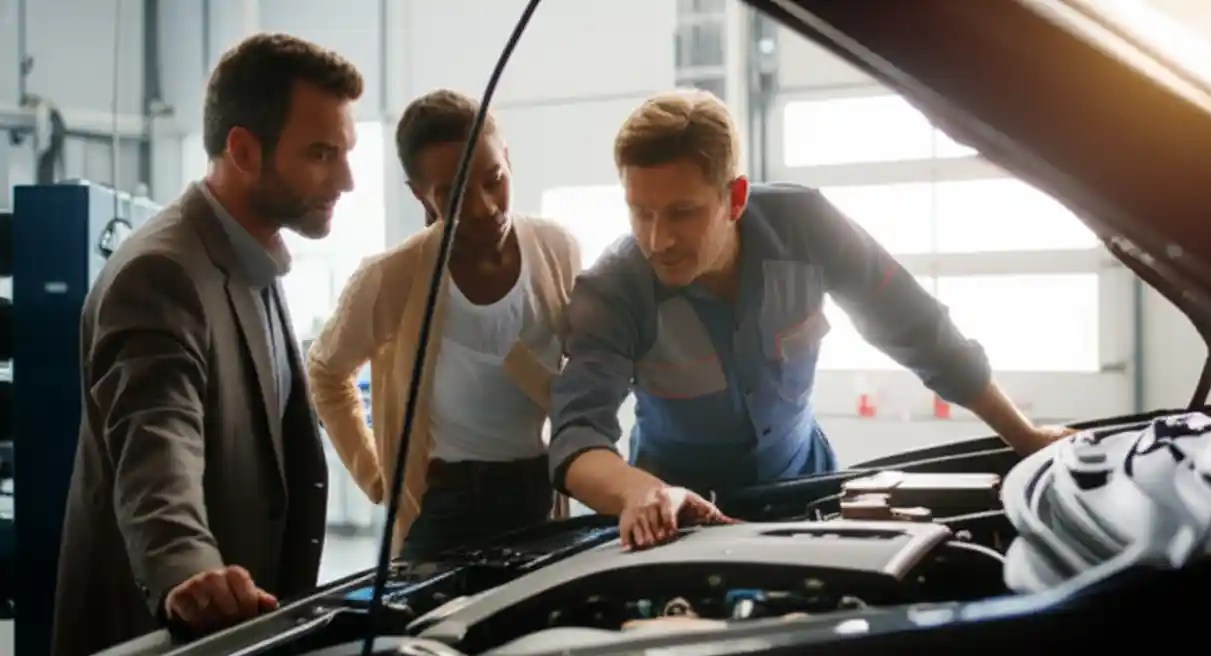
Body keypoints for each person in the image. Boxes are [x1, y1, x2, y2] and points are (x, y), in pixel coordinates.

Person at [549, 89, 1074, 550]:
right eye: (640, 212)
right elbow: (576, 438)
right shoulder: (614, 289)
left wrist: (1024, 437)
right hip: (681, 520)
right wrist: (640, 492)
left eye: (682, 213)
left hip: (809, 492)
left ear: (735, 198)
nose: (657, 240)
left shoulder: (807, 228)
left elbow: (919, 329)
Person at [51, 33, 362, 656]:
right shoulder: (161, 273)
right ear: (243, 150)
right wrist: (186, 567)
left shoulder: (251, 259)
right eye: (322, 154)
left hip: (227, 653)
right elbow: (155, 443)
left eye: (346, 153)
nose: (346, 180)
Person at [307, 89, 581, 564]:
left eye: (494, 180)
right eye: (453, 194)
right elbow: (326, 373)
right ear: (420, 194)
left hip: (541, 491)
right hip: (446, 501)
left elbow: (589, 363)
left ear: (508, 159)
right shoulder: (393, 277)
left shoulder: (557, 249)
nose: (483, 207)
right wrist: (377, 476)